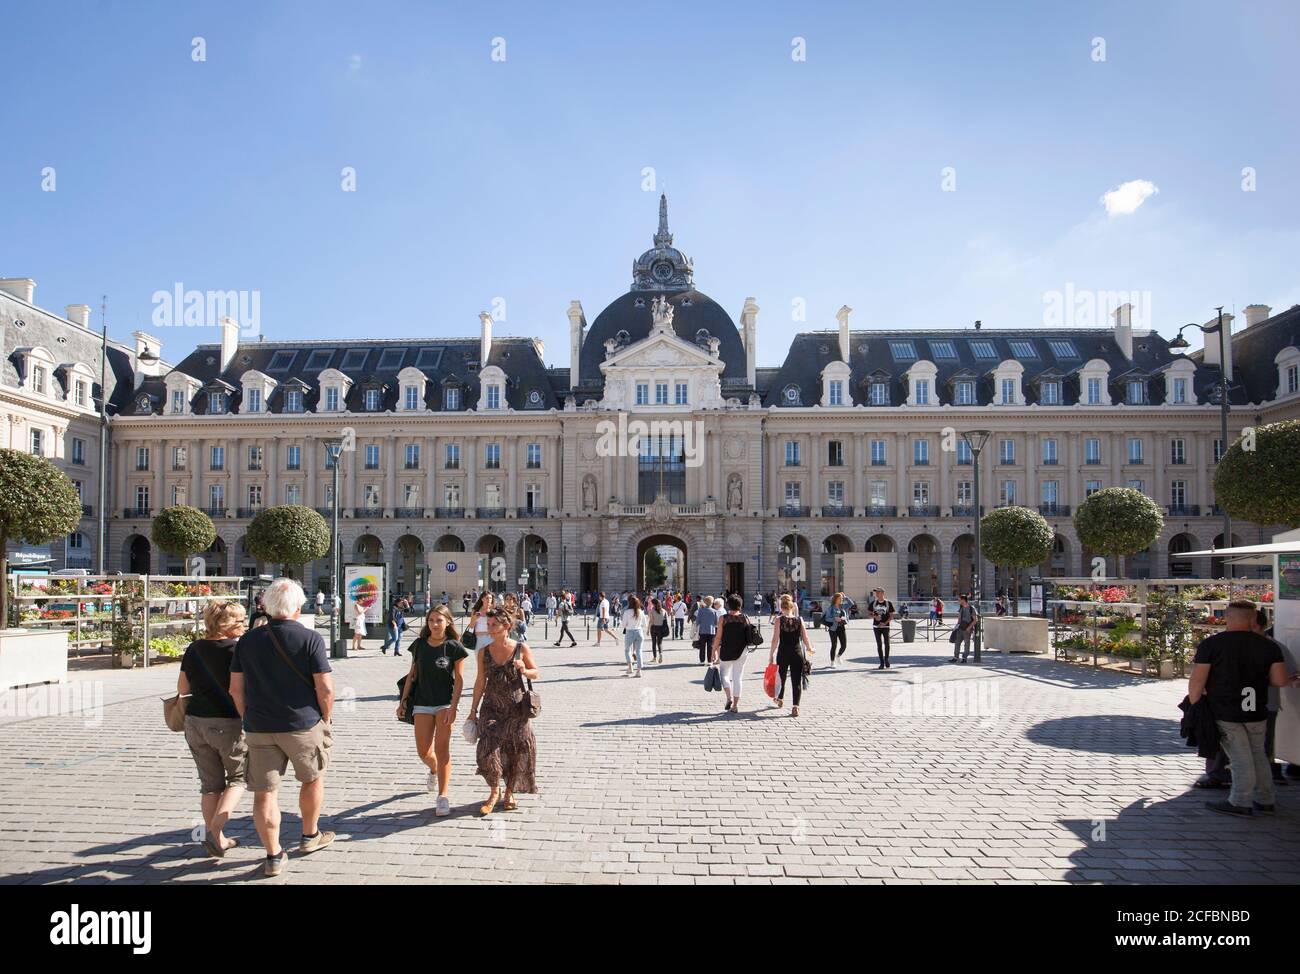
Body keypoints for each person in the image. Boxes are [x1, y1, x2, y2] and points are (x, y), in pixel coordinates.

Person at [229, 578, 335, 878]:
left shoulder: (248, 640)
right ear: (299, 607)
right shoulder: (310, 639)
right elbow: (325, 688)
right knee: (312, 779)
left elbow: (235, 689)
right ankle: (309, 835)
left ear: (266, 606)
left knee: (264, 793)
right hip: (302, 724)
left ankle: (273, 855)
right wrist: (325, 717)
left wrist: (246, 716)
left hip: (260, 726)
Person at [1189, 599, 1299, 817]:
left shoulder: (1212, 645)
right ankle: (1266, 799)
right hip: (1257, 709)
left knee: (1239, 757)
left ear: (1228, 617)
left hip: (1226, 710)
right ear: (1253, 619)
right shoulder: (1269, 646)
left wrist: (1195, 706)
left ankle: (1240, 801)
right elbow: (1279, 680)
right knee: (1259, 754)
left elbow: (1198, 679)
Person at [178, 600, 249, 858]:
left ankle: (217, 839)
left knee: (210, 786)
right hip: (227, 722)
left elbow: (183, 689)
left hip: (195, 722)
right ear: (225, 624)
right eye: (240, 621)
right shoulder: (238, 651)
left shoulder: (194, 648)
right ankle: (216, 828)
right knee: (240, 778)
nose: (244, 625)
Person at [397, 605, 468, 817]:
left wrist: (454, 707)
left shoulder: (454, 647)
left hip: (445, 703)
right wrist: (402, 702)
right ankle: (434, 769)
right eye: (431, 621)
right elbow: (412, 675)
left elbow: (460, 680)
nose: (435, 624)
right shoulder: (419, 645)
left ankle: (443, 795)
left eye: (439, 620)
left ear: (447, 622)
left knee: (442, 749)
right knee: (423, 751)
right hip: (422, 703)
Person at [467, 607, 539, 815]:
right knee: (487, 749)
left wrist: (524, 669)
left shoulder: (521, 648)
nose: (490, 629)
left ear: (506, 626)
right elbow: (480, 681)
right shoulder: (484, 652)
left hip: (516, 708)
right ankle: (494, 791)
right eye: (488, 625)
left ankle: (509, 792)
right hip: (491, 706)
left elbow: (536, 673)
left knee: (516, 750)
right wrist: (473, 710)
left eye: (494, 625)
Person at [770, 594, 814, 716]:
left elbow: (775, 639)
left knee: (781, 678)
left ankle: (780, 699)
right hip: (797, 652)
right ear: (792, 607)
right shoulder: (799, 620)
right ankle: (796, 707)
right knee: (796, 681)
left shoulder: (779, 620)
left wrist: (771, 654)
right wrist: (810, 648)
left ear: (781, 607)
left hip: (783, 652)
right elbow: (805, 637)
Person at [711, 594, 757, 713]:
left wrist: (713, 651)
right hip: (742, 651)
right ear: (740, 606)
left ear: (728, 605)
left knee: (724, 675)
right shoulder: (745, 618)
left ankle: (728, 697)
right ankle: (735, 706)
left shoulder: (723, 618)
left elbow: (718, 637)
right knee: (738, 678)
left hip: (726, 649)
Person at [867, 587, 895, 669]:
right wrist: (875, 616)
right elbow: (869, 614)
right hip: (876, 627)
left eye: (878, 592)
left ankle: (886, 659)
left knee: (887, 643)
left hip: (886, 626)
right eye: (876, 592)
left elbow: (891, 616)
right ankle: (881, 662)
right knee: (879, 644)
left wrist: (884, 623)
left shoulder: (888, 603)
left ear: (883, 593)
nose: (876, 594)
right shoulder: (873, 603)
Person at [622, 595, 646, 676]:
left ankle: (630, 667)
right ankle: (639, 671)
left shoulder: (627, 612)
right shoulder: (641, 612)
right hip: (639, 632)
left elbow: (623, 625)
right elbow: (644, 624)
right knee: (639, 651)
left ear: (629, 603)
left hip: (629, 631)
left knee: (627, 650)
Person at [952, 593, 979, 663]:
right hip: (960, 628)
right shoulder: (961, 607)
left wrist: (969, 628)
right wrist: (956, 627)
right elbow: (959, 619)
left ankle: (964, 658)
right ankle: (955, 657)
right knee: (957, 642)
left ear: (963, 600)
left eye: (959, 600)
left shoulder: (971, 608)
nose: (959, 601)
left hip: (967, 629)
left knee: (966, 643)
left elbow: (975, 620)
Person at [825, 592, 849, 667]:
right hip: (833, 628)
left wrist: (845, 597)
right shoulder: (831, 608)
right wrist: (834, 619)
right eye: (840, 598)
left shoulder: (843, 607)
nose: (841, 599)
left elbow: (851, 603)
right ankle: (832, 662)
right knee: (834, 645)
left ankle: (838, 656)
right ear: (836, 599)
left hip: (841, 627)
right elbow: (827, 618)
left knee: (844, 645)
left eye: (842, 598)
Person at [695, 595, 719, 664]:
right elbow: (716, 622)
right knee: (710, 647)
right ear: (712, 603)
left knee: (702, 646)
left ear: (705, 602)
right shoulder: (715, 611)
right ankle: (710, 661)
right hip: (711, 631)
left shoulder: (701, 610)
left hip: (702, 630)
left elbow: (697, 621)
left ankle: (702, 661)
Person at [648, 597, 669, 663]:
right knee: (659, 643)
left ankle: (654, 658)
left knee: (654, 643)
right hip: (661, 628)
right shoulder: (664, 611)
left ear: (654, 604)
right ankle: (661, 654)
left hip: (654, 628)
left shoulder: (652, 611)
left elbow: (651, 621)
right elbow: (666, 621)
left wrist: (648, 629)